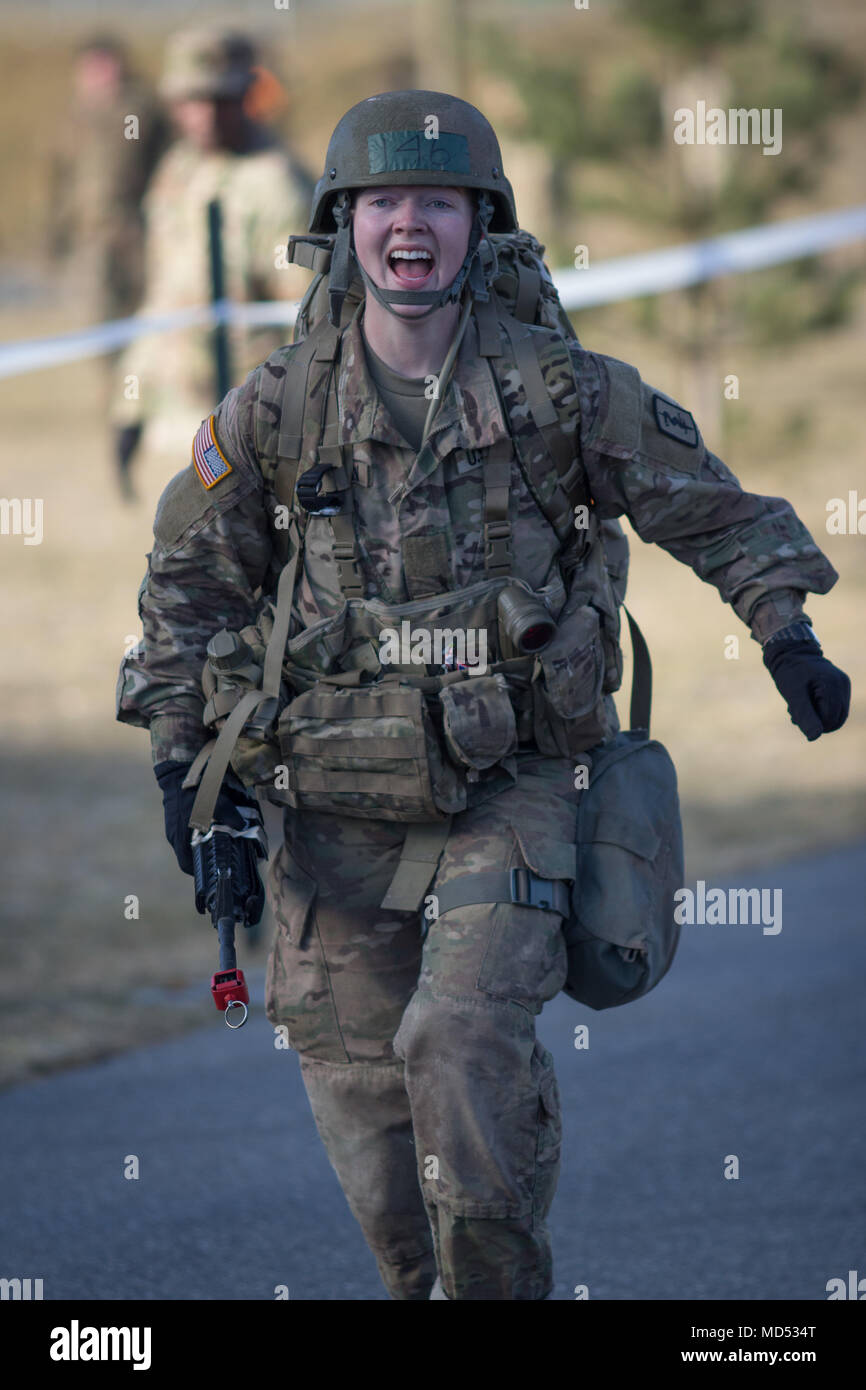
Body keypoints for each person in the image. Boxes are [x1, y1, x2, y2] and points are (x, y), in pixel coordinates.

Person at [116, 90, 850, 1300]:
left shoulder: (560, 393)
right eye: (384, 202)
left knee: (453, 1042)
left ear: (481, 225)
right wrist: (187, 784)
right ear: (342, 226)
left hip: (512, 783)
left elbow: (717, 514)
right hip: (327, 800)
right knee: (370, 1132)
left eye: (438, 203)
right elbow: (184, 595)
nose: (410, 226)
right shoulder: (278, 410)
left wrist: (784, 634)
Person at [111, 25, 314, 500]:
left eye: (219, 100)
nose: (205, 115)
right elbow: (165, 294)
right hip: (178, 409)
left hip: (248, 421)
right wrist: (129, 410)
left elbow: (303, 320)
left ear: (246, 96)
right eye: (191, 100)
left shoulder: (276, 185)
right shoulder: (177, 170)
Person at [47, 35, 169, 326]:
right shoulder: (76, 116)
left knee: (137, 309)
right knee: (95, 314)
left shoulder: (138, 110)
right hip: (88, 234)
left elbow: (143, 158)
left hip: (132, 231)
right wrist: (57, 231)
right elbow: (61, 177)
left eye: (103, 66)